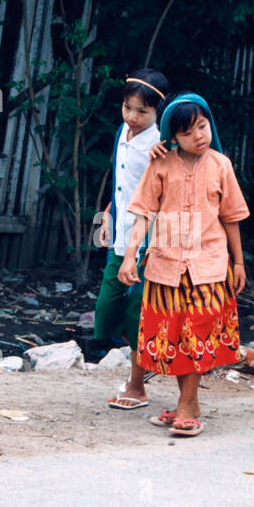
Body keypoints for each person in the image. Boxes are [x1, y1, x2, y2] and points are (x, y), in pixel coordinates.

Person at [117, 93, 248, 437]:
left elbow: (231, 217)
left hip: (209, 265)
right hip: (165, 264)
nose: (199, 136)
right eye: (188, 132)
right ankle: (185, 403)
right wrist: (130, 255)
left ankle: (188, 406)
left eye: (203, 127)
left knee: (199, 336)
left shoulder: (221, 165)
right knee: (173, 337)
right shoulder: (159, 164)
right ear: (173, 137)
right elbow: (144, 212)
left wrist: (239, 262)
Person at [96, 70, 170, 410]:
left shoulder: (160, 146)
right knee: (106, 311)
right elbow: (121, 181)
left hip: (145, 241)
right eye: (128, 108)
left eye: (142, 111)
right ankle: (155, 357)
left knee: (137, 315)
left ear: (158, 112)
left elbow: (163, 194)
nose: (133, 117)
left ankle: (137, 385)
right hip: (119, 236)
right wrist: (108, 213)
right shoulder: (121, 134)